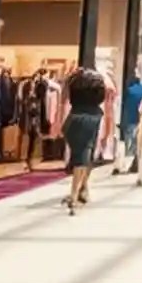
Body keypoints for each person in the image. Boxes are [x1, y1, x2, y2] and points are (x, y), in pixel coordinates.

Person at [62, 66, 106, 217]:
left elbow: (65, 98)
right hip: (92, 118)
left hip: (75, 117)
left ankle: (79, 191)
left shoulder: (73, 82)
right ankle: (78, 193)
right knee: (85, 156)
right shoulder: (98, 83)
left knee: (80, 157)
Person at [118, 73, 142, 174]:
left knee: (130, 145)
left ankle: (128, 165)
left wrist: (122, 123)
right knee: (140, 143)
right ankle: (138, 163)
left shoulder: (129, 91)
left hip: (130, 120)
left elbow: (125, 106)